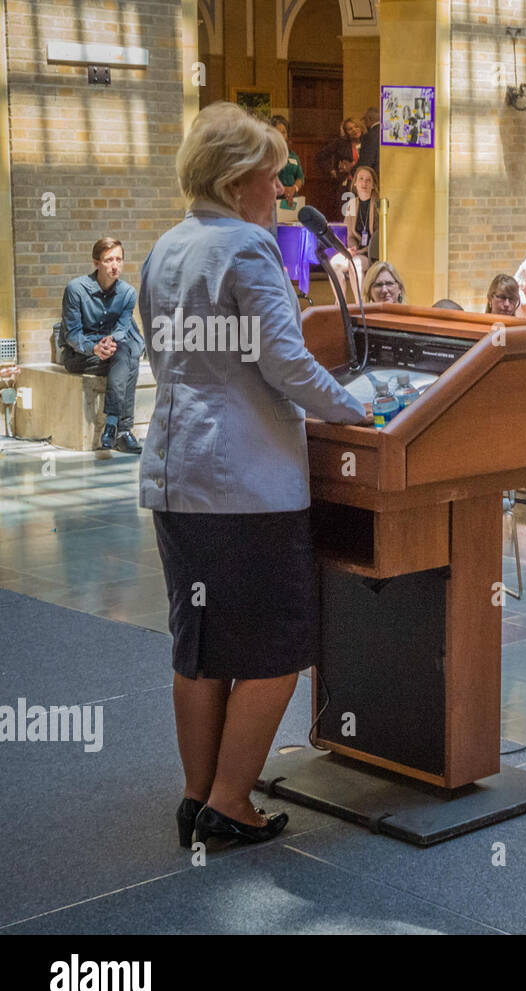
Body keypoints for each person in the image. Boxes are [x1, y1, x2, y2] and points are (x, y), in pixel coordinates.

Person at [140, 102, 370, 847]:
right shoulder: (247, 250)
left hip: (178, 473)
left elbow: (167, 355)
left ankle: (197, 796)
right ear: (241, 181)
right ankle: (232, 802)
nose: (282, 195)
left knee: (200, 643)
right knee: (277, 646)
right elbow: (284, 360)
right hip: (245, 483)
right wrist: (355, 410)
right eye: (274, 180)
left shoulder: (167, 248)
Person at [60, 237, 146, 452]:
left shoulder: (128, 293)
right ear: (96, 263)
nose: (115, 265)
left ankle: (113, 428)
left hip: (113, 352)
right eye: (108, 260)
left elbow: (121, 328)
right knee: (129, 358)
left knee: (125, 353)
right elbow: (72, 334)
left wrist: (109, 342)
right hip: (80, 355)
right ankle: (121, 428)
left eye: (119, 259)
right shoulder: (76, 289)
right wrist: (95, 348)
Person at [329, 164, 378, 303]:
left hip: (370, 253)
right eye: (361, 179)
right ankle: (340, 304)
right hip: (354, 250)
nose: (364, 183)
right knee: (334, 263)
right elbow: (348, 231)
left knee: (355, 263)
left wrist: (359, 251)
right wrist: (349, 249)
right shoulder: (351, 204)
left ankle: (360, 305)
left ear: (373, 185)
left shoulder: (378, 205)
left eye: (368, 180)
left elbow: (378, 238)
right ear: (355, 183)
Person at [314, 117, 362, 217]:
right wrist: (332, 171)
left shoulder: (367, 142)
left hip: (364, 184)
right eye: (350, 129)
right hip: (347, 185)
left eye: (356, 126)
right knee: (348, 216)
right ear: (346, 132)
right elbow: (320, 156)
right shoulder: (340, 143)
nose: (354, 130)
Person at [269, 116, 304, 206]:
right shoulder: (266, 156)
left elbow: (300, 178)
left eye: (283, 132)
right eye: (277, 132)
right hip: (272, 200)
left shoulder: (293, 156)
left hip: (291, 200)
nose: (281, 136)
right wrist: (283, 189)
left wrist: (294, 188)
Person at [355, 106, 381, 175]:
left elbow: (365, 163)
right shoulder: (388, 133)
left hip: (374, 177)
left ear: (369, 119)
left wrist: (352, 170)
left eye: (364, 119)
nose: (364, 122)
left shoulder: (369, 136)